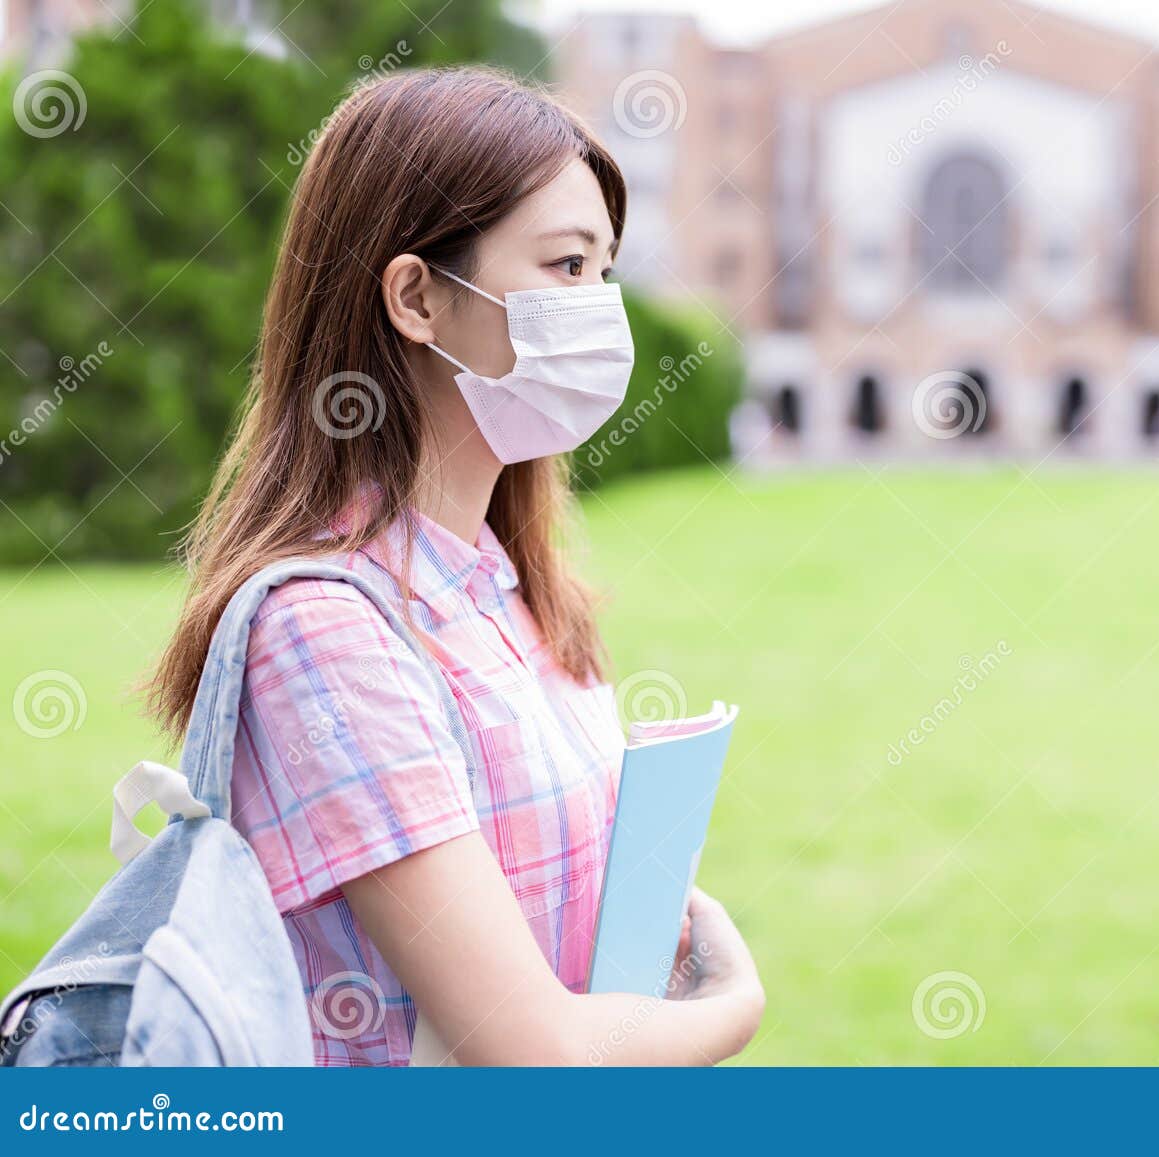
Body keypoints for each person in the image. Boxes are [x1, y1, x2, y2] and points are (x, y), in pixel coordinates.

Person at [145, 67, 763, 1066]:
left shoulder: (505, 582)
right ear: (417, 296)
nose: (600, 309)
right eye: (565, 267)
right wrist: (734, 998)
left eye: (605, 271)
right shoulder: (327, 629)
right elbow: (534, 1055)